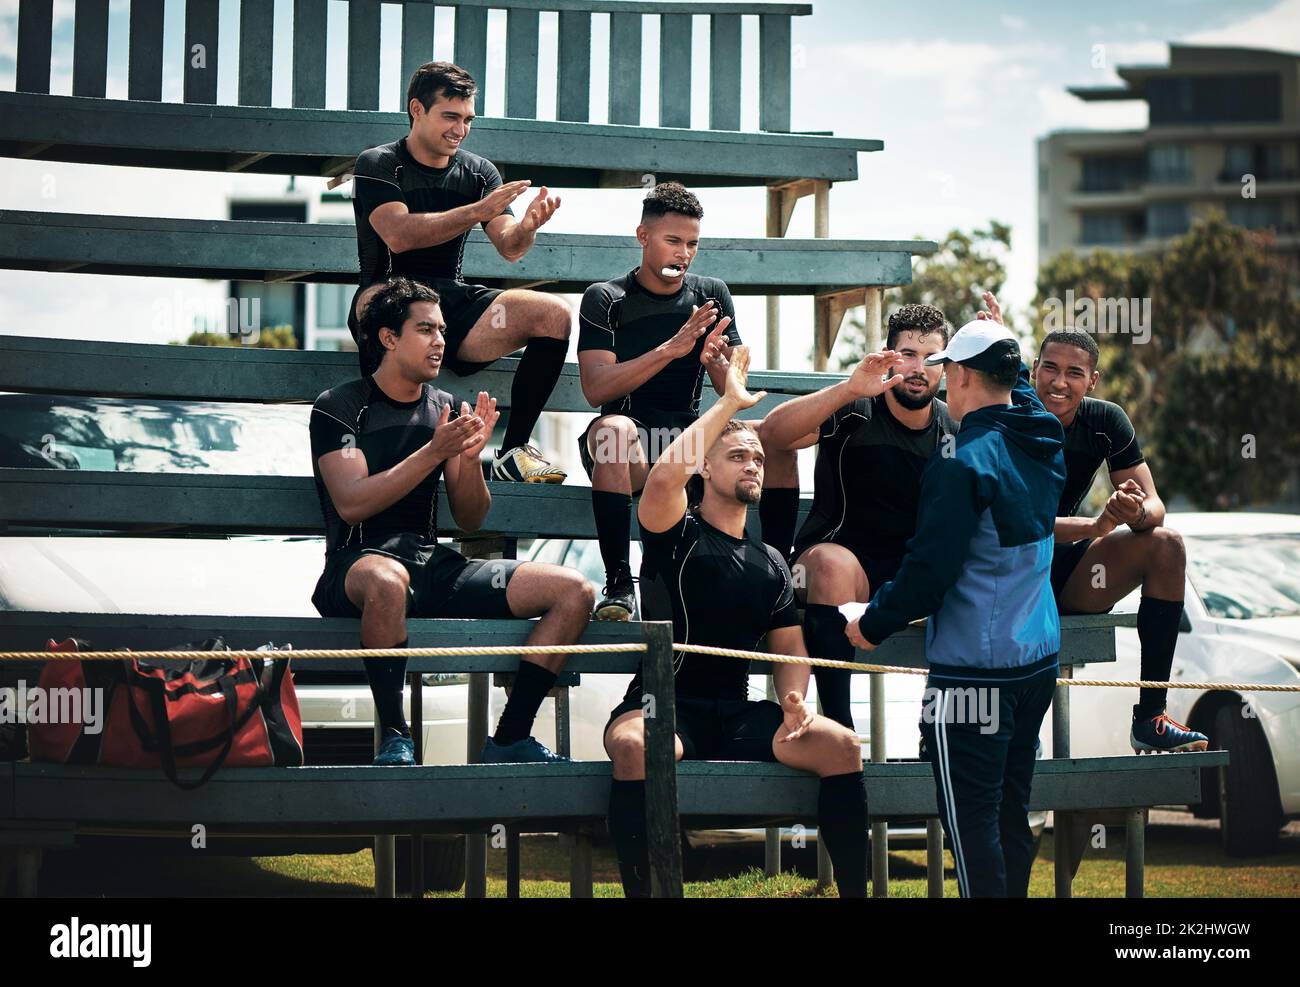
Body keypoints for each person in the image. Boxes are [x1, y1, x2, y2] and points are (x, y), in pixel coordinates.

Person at [604, 347, 868, 898]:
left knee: (840, 745)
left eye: (758, 458)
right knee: (637, 749)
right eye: (737, 457)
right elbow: (659, 480)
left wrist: (795, 700)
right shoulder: (674, 530)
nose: (752, 464)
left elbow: (790, 648)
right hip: (661, 704)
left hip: (738, 712)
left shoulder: (771, 561)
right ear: (705, 466)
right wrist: (728, 403)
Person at [309, 278, 594, 765]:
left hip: (429, 563)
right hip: (358, 564)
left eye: (443, 329)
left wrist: (468, 458)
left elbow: (470, 517)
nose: (441, 340)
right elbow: (353, 504)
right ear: (388, 338)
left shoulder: (443, 407)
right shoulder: (337, 407)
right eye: (426, 330)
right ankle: (396, 735)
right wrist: (435, 451)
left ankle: (510, 738)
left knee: (575, 591)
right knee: (387, 579)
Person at [846, 314, 1066, 898]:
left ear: (962, 375)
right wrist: (1000, 345)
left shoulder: (960, 460)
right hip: (1036, 661)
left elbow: (928, 574)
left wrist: (870, 623)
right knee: (1010, 814)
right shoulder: (1044, 433)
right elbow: (1020, 393)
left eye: (948, 370)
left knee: (973, 828)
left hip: (975, 671)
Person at [350, 61, 570, 484]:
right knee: (404, 311)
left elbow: (508, 247)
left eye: (468, 119)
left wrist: (525, 228)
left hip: (449, 302)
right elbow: (399, 235)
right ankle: (389, 441)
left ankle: (512, 452)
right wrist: (477, 210)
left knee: (553, 314)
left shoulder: (479, 171)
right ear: (417, 109)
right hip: (385, 294)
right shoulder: (378, 162)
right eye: (450, 116)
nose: (461, 129)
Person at [757, 304, 956, 728]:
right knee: (832, 566)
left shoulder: (954, 428)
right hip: (837, 567)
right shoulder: (855, 409)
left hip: (909, 574)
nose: (920, 368)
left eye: (931, 357)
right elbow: (773, 436)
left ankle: (939, 729)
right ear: (888, 355)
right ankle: (839, 728)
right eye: (908, 354)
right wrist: (848, 389)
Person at [1031, 320, 1208, 753]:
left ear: (1092, 381)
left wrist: (1135, 511)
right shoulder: (1010, 412)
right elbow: (1013, 526)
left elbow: (1155, 505)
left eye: (1074, 374)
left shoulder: (1105, 420)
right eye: (1050, 369)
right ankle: (1013, 733)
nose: (1059, 382)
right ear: (1033, 369)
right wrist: (1098, 525)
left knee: (1167, 543)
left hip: (1065, 568)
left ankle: (1150, 718)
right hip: (1005, 566)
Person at [576, 182, 741, 621]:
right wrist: (671, 348)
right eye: (673, 241)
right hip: (625, 449)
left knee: (759, 441)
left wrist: (715, 363)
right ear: (643, 236)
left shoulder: (712, 294)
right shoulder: (605, 298)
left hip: (684, 443)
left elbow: (734, 390)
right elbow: (597, 389)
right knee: (614, 429)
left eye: (692, 244)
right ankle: (617, 584)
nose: (683, 254)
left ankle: (763, 579)